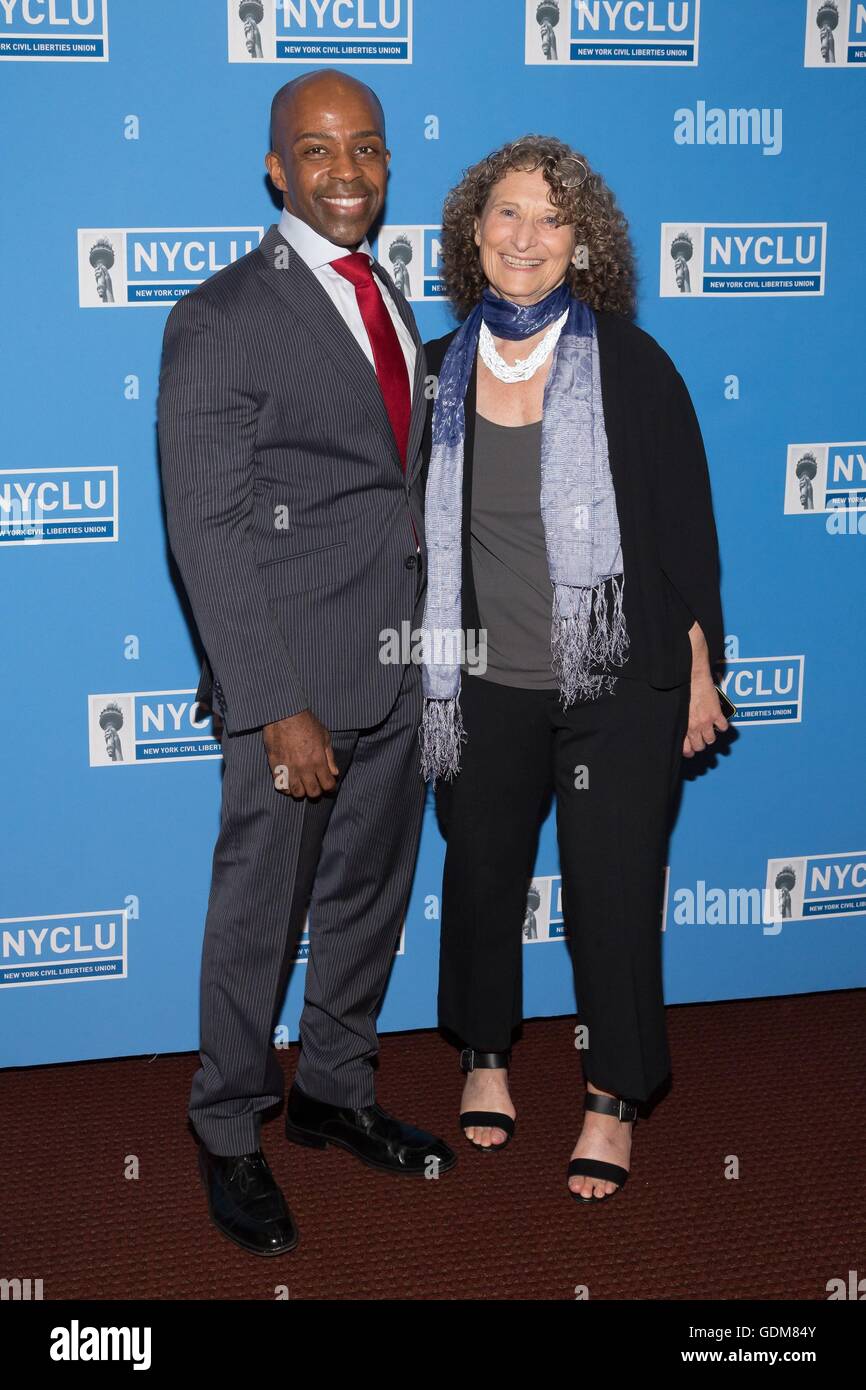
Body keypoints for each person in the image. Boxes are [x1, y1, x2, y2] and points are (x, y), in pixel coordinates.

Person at [157, 69, 455, 1258]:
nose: (347, 171)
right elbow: (207, 530)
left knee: (367, 902)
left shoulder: (386, 289)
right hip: (290, 681)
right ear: (276, 168)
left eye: (368, 148)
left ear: (389, 165)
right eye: (317, 150)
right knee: (256, 917)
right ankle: (227, 1129)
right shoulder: (221, 316)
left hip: (396, 663)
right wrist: (274, 703)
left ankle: (332, 1089)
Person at [419, 135, 728, 1202]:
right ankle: (485, 1054)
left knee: (608, 892)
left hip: (617, 684)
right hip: (482, 683)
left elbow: (682, 531)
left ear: (581, 243)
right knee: (481, 874)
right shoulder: (431, 376)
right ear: (472, 230)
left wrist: (699, 667)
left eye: (552, 219)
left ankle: (612, 1096)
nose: (526, 237)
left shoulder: (632, 368)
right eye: (507, 213)